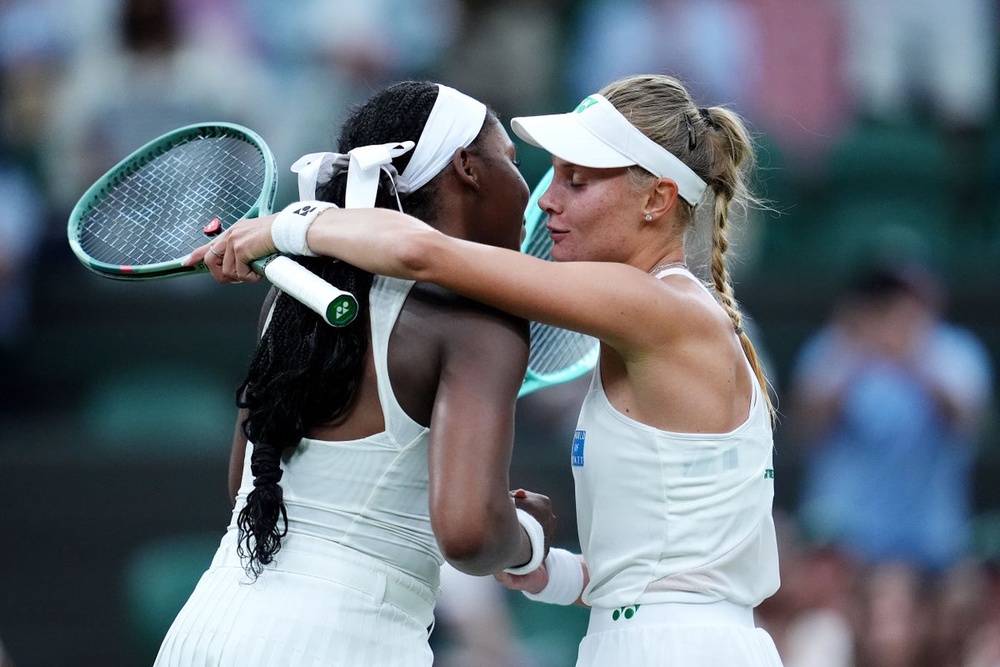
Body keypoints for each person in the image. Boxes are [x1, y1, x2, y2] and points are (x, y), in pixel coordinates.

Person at [194, 73, 784, 666]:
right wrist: (543, 567)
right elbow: (664, 577)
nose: (547, 199)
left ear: (657, 199)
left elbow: (421, 251)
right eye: (550, 174)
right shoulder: (651, 319)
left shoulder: (662, 308)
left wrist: (279, 228)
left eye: (576, 182)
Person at [154, 80, 557, 666]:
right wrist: (526, 536)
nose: (532, 194)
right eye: (513, 164)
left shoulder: (293, 294)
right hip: (344, 643)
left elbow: (245, 480)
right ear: (468, 168)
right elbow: (470, 535)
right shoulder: (478, 319)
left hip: (203, 629)